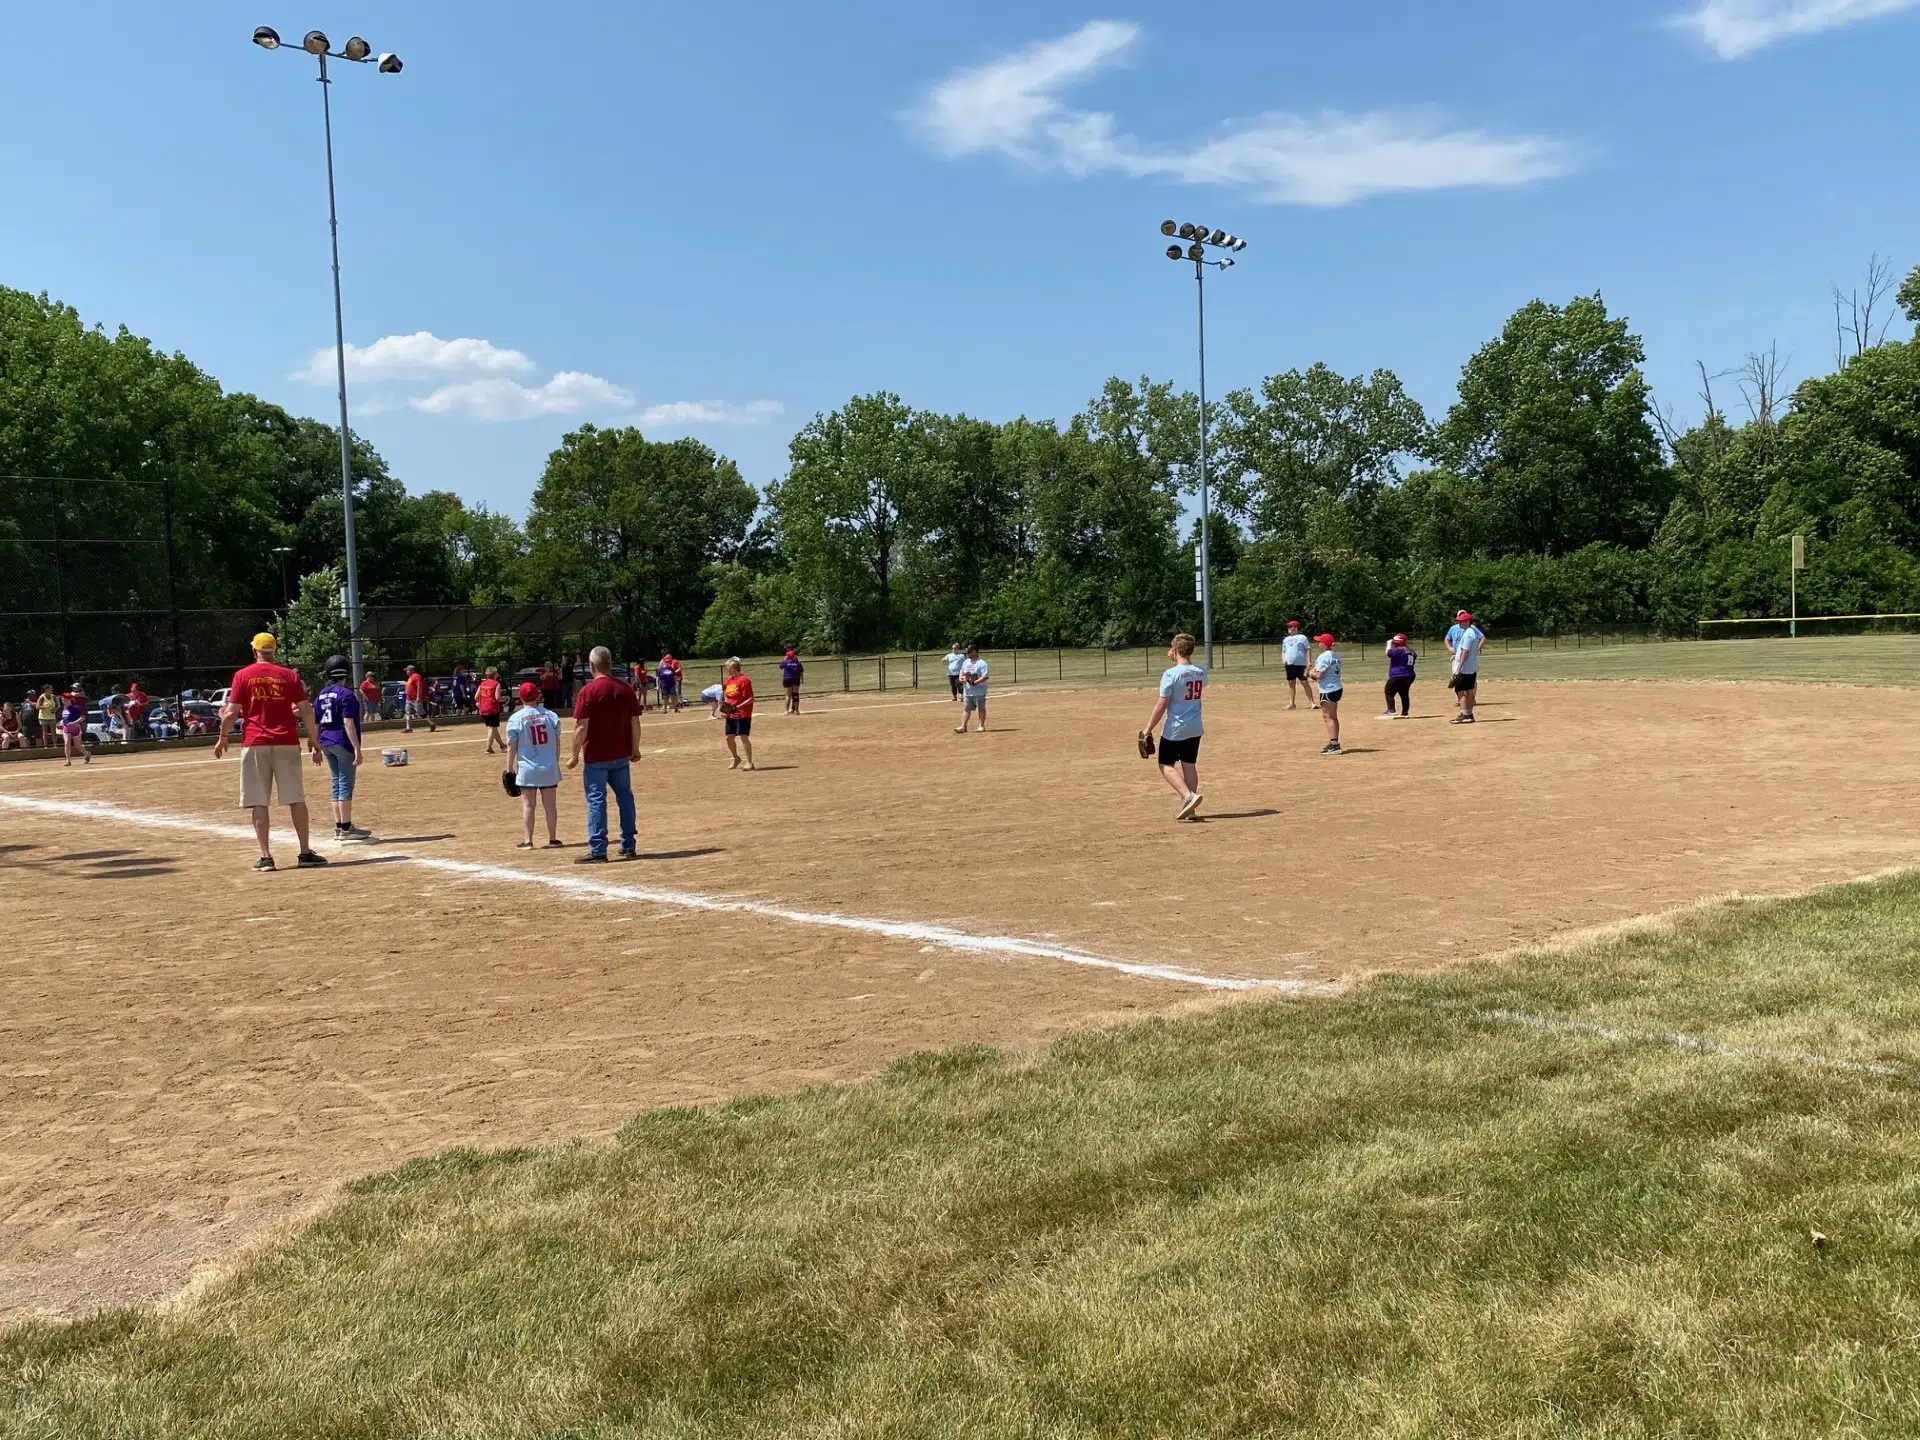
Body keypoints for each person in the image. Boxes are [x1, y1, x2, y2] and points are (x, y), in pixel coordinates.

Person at [214, 632, 327, 872]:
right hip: (286, 740)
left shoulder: (242, 676)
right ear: (273, 651)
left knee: (258, 801)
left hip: (255, 742)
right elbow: (306, 709)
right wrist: (313, 739)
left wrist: (223, 737)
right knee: (296, 797)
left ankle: (266, 857)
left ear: (254, 650)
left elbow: (231, 712)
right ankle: (305, 853)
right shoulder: (289, 675)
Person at [566, 645, 642, 863]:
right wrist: (635, 748)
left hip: (596, 757)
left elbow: (582, 726)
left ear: (591, 666)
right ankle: (628, 845)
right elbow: (635, 722)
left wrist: (574, 755)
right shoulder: (625, 689)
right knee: (625, 797)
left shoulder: (588, 691)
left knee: (597, 801)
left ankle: (598, 849)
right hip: (620, 754)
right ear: (609, 664)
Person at [1142, 633, 1206, 821]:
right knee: (1189, 764)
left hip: (1176, 727)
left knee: (1165, 764)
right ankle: (1191, 809)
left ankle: (1188, 797)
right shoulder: (1201, 672)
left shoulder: (1170, 674)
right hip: (1195, 725)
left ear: (1175, 650)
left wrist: (1148, 729)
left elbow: (1162, 704)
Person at [314, 655, 370, 841]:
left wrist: (315, 746)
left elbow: (316, 723)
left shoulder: (321, 695)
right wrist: (357, 748)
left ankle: (340, 826)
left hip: (325, 741)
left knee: (336, 783)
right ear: (346, 672)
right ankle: (346, 828)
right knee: (345, 783)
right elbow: (348, 722)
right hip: (341, 741)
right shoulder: (346, 695)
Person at [506, 680, 564, 849]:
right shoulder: (550, 715)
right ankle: (553, 839)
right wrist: (555, 761)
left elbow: (511, 746)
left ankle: (528, 840)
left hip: (527, 767)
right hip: (548, 766)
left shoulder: (516, 718)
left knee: (529, 805)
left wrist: (509, 769)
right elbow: (557, 743)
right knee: (550, 805)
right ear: (538, 696)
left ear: (520, 698)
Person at [721, 657, 756, 770]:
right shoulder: (729, 680)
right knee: (729, 738)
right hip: (731, 713)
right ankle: (736, 758)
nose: (727, 669)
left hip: (743, 713)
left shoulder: (744, 680)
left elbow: (750, 698)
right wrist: (726, 708)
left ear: (733, 668)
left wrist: (737, 707)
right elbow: (727, 694)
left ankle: (749, 763)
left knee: (743, 737)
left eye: (728, 667)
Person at [1451, 613, 1484, 724]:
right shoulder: (1470, 633)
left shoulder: (1469, 634)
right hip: (1470, 666)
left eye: (1461, 621)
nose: (1459, 623)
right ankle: (1469, 714)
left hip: (1466, 667)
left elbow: (1465, 652)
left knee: (1460, 689)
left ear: (1468, 621)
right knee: (1469, 690)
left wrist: (1458, 668)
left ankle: (1465, 714)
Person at [1313, 633, 1344, 754]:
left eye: (1320, 641)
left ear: (1324, 644)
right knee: (1334, 717)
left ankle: (1335, 745)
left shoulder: (1323, 656)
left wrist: (1311, 674)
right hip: (1337, 687)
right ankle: (1333, 742)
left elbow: (1320, 676)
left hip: (1328, 689)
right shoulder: (1336, 655)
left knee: (1328, 717)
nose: (1318, 643)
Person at [1281, 621, 1317, 711]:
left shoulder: (1302, 637)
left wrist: (1309, 661)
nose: (1289, 628)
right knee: (1291, 684)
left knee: (1304, 682)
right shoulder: (1285, 639)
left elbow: (1308, 649)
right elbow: (1283, 651)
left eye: (1291, 627)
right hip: (1289, 664)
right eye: (1288, 627)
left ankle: (1312, 703)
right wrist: (1283, 659)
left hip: (1301, 664)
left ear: (1296, 628)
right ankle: (1292, 704)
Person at [954, 645, 989, 733]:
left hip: (979, 691)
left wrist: (975, 682)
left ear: (975, 652)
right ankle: (963, 726)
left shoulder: (982, 663)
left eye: (970, 651)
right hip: (968, 691)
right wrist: (961, 678)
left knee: (981, 708)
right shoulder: (966, 662)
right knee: (966, 708)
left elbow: (985, 676)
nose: (968, 653)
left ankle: (981, 725)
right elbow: (962, 672)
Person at [1382, 634, 1417, 718]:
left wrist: (1389, 644)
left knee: (1388, 691)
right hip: (1409, 676)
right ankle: (1405, 712)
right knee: (1404, 693)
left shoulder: (1398, 650)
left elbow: (1388, 653)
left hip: (1398, 675)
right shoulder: (1412, 652)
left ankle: (1391, 710)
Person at [476, 666, 505, 753]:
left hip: (483, 709)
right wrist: (506, 698)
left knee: (493, 728)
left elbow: (476, 697)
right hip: (492, 709)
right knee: (492, 729)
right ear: (495, 675)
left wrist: (481, 702)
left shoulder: (482, 684)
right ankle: (488, 748)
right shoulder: (496, 684)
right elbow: (498, 698)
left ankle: (502, 745)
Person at [58, 684, 88, 766]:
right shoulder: (63, 708)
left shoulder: (76, 708)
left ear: (69, 700)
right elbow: (64, 718)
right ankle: (68, 760)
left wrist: (74, 723)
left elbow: (82, 718)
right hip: (66, 728)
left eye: (64, 698)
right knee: (67, 743)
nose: (62, 699)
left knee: (77, 745)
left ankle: (86, 753)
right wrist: (61, 723)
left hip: (75, 728)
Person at [403, 665, 436, 734]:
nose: (406, 671)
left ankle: (432, 724)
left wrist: (418, 696)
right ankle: (408, 728)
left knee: (421, 713)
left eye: (407, 670)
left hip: (415, 699)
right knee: (407, 713)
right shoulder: (410, 678)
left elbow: (419, 686)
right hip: (409, 699)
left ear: (412, 670)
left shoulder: (416, 676)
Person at [779, 647, 804, 715]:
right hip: (796, 679)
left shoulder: (786, 662)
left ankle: (786, 711)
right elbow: (801, 671)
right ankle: (796, 711)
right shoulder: (798, 663)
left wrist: (784, 659)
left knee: (788, 696)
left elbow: (780, 666)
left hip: (787, 679)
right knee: (795, 694)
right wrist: (802, 679)